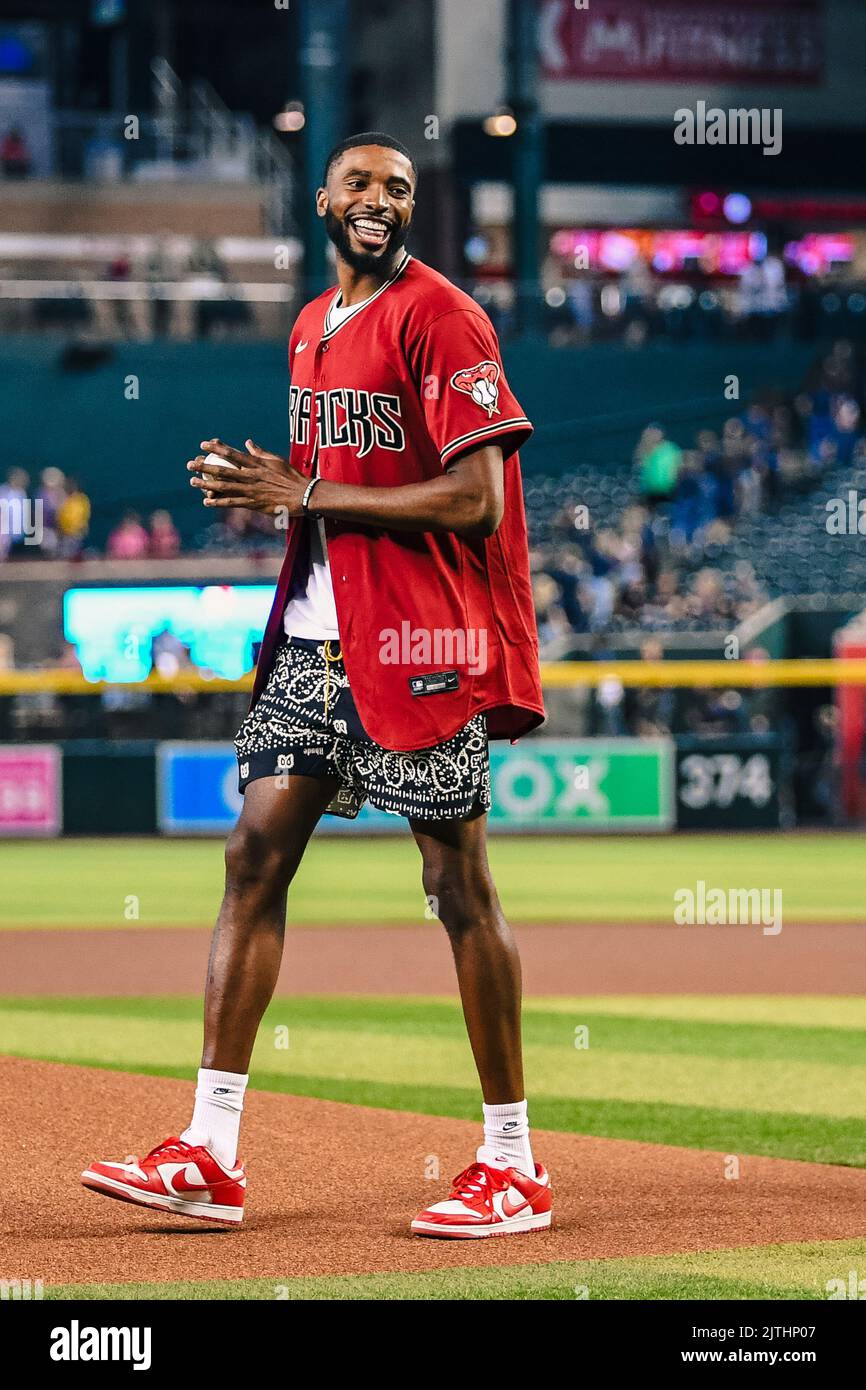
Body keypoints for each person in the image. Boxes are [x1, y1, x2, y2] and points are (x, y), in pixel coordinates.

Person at [82, 132, 552, 1240]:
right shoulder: (307, 325)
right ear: (322, 202)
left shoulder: (443, 317)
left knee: (456, 885)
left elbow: (476, 497)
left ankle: (511, 1161)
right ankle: (210, 1147)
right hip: (312, 636)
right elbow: (325, 495)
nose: (381, 199)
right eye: (360, 184)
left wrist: (305, 490)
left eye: (398, 187)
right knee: (252, 854)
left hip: (417, 642)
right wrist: (279, 493)